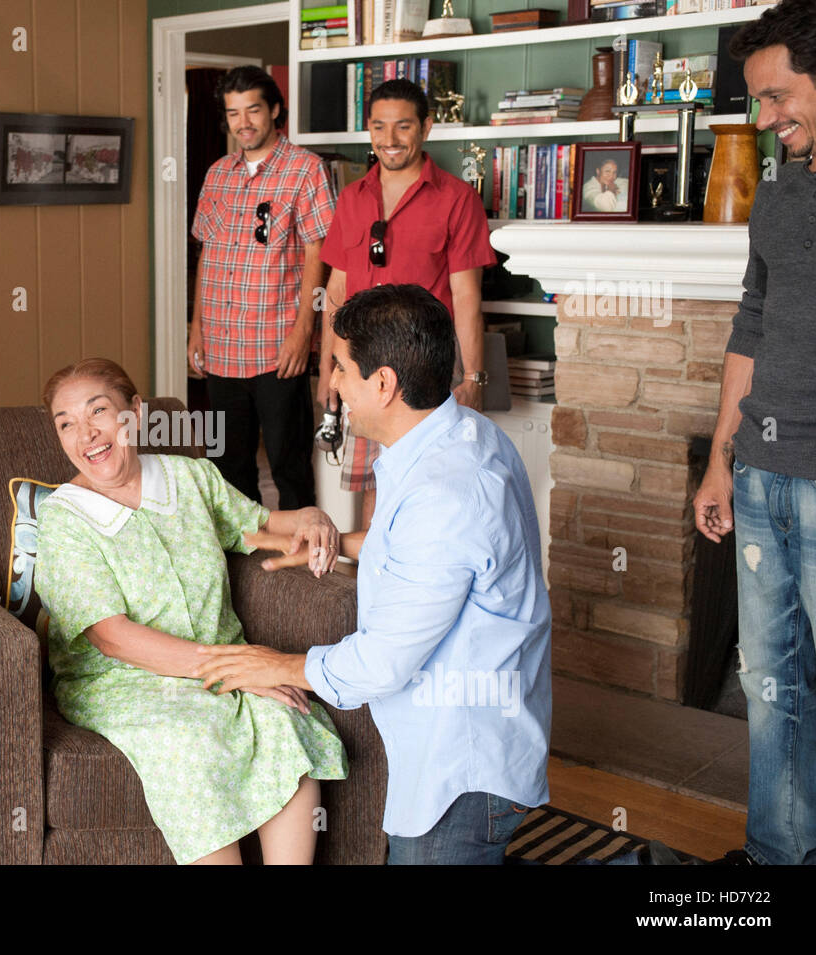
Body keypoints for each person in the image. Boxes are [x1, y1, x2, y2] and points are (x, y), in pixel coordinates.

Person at [194, 284, 551, 865]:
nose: (331, 383)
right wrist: (342, 546)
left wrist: (273, 663)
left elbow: (381, 663)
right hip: (468, 740)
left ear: (383, 384)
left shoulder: (446, 493)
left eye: (340, 367)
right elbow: (433, 556)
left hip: (461, 769)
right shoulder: (459, 434)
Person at [33, 358, 348, 865]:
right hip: (121, 679)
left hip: (224, 659)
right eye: (66, 423)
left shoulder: (190, 477)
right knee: (191, 741)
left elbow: (258, 526)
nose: (85, 432)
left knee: (284, 717)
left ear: (134, 414)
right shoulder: (63, 521)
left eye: (98, 411)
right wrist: (235, 670)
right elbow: (112, 638)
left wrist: (310, 515)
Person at [693, 0, 816, 866]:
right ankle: (781, 857)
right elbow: (752, 319)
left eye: (779, 98)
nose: (768, 120)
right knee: (771, 688)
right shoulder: (777, 188)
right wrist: (718, 461)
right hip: (762, 474)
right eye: (758, 102)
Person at [316, 79, 496, 530]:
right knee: (372, 483)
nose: (390, 140)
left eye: (402, 127)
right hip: (361, 366)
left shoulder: (458, 199)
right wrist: (328, 373)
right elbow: (335, 293)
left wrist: (473, 377)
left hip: (426, 367)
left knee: (427, 484)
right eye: (379, 127)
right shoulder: (353, 198)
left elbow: (468, 296)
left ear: (426, 128)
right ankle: (373, 588)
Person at [187, 66, 336, 510]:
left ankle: (303, 572)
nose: (243, 122)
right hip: (220, 346)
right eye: (234, 113)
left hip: (277, 347)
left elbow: (320, 256)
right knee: (228, 466)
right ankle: (247, 565)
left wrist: (303, 332)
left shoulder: (305, 170)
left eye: (253, 109)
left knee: (289, 466)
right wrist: (196, 327)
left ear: (274, 110)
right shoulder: (217, 174)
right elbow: (207, 257)